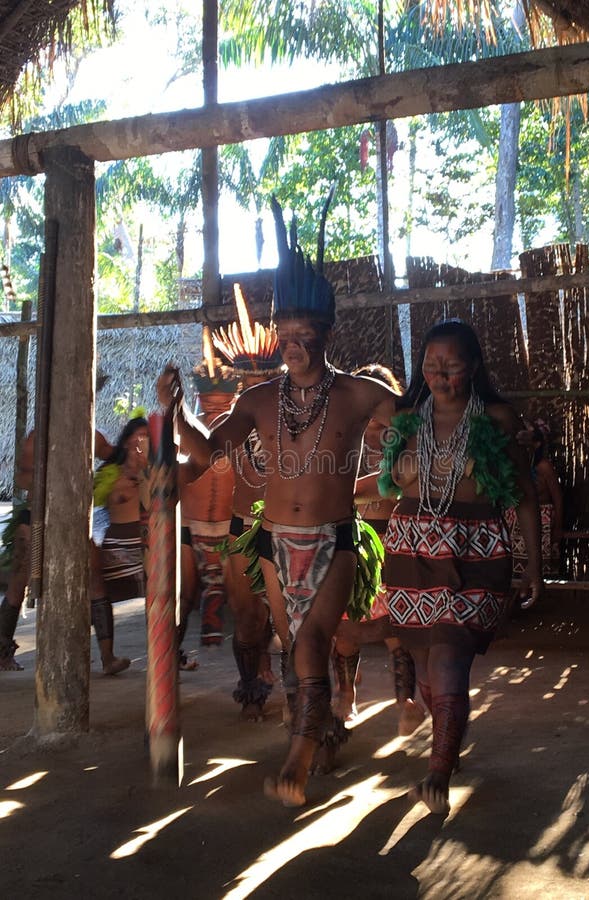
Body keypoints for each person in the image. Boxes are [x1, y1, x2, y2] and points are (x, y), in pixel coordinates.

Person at [157, 192, 399, 806]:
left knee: (314, 645)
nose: (292, 341)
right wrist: (174, 415)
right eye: (285, 331)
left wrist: (404, 432)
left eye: (304, 331)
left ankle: (299, 753)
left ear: (326, 332)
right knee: (293, 652)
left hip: (335, 540)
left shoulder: (359, 393)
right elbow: (211, 449)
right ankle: (317, 729)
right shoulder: (259, 400)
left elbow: (412, 421)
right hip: (271, 543)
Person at [379, 319, 542, 815]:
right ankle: (449, 736)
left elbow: (525, 498)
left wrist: (533, 567)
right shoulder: (405, 417)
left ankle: (437, 772)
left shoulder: (495, 420)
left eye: (450, 364)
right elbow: (388, 485)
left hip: (476, 554)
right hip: (410, 554)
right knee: (429, 669)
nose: (439, 373)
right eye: (431, 363)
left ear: (471, 366)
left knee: (450, 658)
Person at [335, 363, 426, 737]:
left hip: (394, 539)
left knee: (396, 628)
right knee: (345, 625)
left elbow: (400, 482)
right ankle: (347, 694)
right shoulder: (343, 438)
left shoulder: (407, 440)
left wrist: (358, 488)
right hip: (352, 539)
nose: (375, 426)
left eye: (380, 417)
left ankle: (405, 701)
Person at [1, 373, 114, 672]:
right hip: (37, 516)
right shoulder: (37, 437)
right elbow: (23, 478)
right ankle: (1, 652)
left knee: (94, 579)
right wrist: (47, 479)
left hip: (75, 517)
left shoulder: (92, 435)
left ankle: (107, 657)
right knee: (20, 582)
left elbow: (117, 457)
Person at [211, 285, 285, 720]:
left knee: (289, 618)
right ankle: (251, 690)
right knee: (247, 615)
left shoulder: (296, 416)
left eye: (264, 378)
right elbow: (201, 458)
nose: (256, 385)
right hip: (242, 529)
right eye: (248, 380)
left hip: (288, 526)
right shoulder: (228, 422)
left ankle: (301, 695)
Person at [177, 334, 238, 658]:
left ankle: (257, 676)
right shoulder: (188, 432)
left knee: (243, 602)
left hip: (230, 529)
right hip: (191, 527)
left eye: (222, 406)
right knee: (183, 596)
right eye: (209, 405)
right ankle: (167, 662)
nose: (215, 413)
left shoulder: (243, 432)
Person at [91, 409, 149, 674]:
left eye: (148, 438)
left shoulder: (157, 471)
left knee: (167, 590)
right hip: (115, 546)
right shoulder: (109, 474)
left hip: (146, 545)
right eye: (139, 437)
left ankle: (173, 654)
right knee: (93, 587)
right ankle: (107, 658)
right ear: (126, 441)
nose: (142, 442)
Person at [506, 421, 564, 578]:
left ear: (537, 443)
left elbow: (557, 498)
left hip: (543, 526)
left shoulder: (544, 467)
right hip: (515, 526)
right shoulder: (515, 466)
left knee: (541, 573)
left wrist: (558, 528)